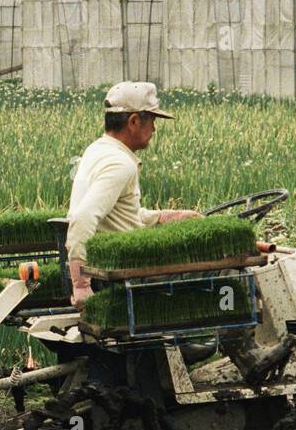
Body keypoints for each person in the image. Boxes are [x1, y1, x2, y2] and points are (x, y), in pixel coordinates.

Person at [66, 81, 200, 309]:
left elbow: (116, 214)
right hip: (127, 272)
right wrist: (80, 284)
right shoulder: (119, 163)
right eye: (152, 121)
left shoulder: (97, 150)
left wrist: (160, 217)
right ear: (134, 121)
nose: (154, 129)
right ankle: (239, 338)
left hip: (114, 263)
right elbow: (82, 218)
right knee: (224, 267)